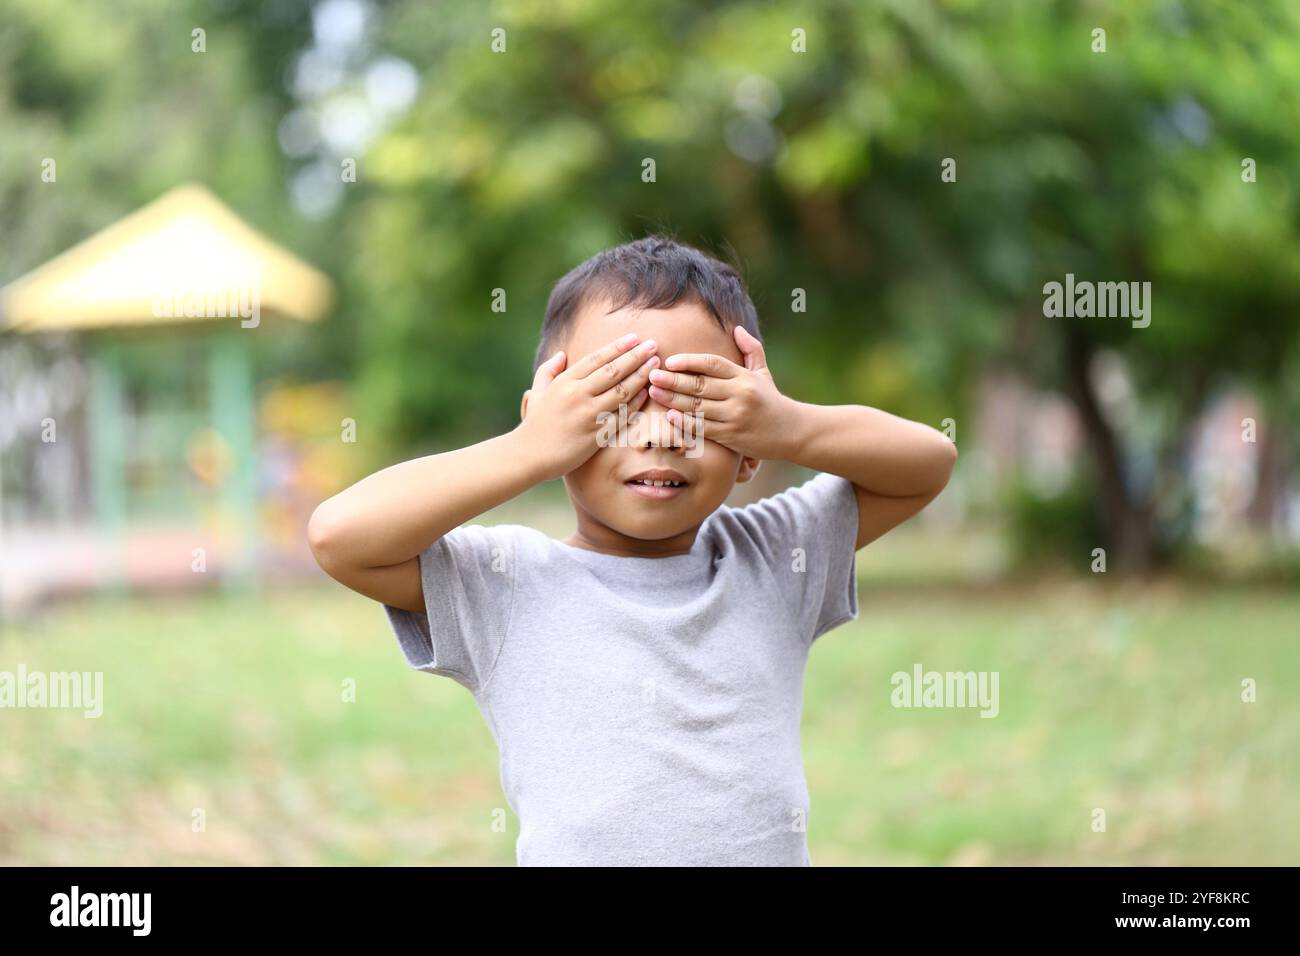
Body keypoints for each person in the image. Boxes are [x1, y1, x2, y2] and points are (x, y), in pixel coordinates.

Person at [308, 235, 957, 865]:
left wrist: (788, 423)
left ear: (748, 446)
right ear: (552, 420)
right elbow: (341, 536)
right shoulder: (505, 584)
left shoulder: (774, 556)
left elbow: (928, 463)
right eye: (614, 406)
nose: (659, 436)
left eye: (696, 407)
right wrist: (527, 448)